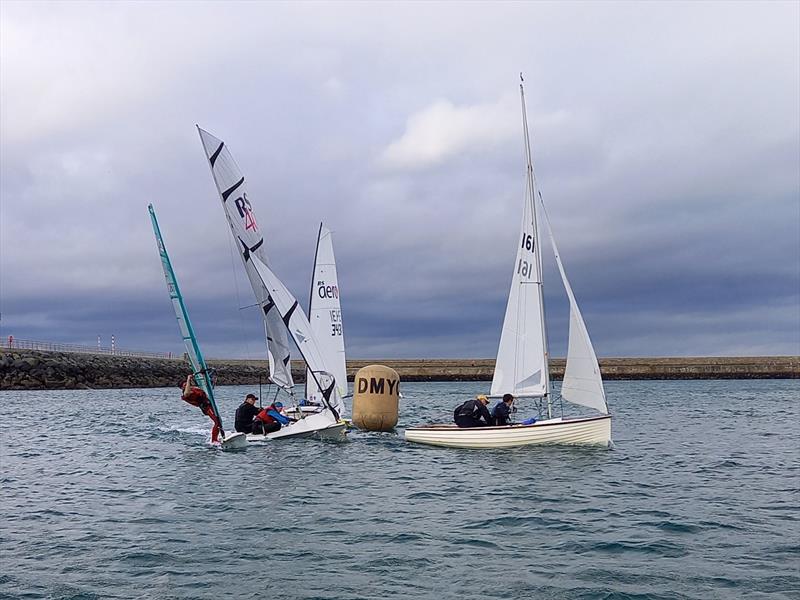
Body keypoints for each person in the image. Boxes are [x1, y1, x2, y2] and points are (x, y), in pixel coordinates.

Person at [179, 374, 221, 443]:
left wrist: (210, 381)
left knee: (219, 422)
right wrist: (188, 379)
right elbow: (187, 393)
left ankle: (221, 435)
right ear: (182, 388)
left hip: (210, 405)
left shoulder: (194, 389)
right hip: (206, 407)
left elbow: (206, 390)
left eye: (187, 385)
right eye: (185, 385)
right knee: (217, 422)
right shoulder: (186, 394)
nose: (187, 386)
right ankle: (214, 441)